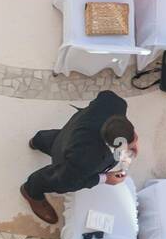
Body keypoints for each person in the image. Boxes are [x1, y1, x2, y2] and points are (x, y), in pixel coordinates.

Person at [20, 90, 136, 225]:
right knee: (55, 178)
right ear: (110, 144)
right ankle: (31, 190)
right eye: (129, 144)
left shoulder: (113, 103)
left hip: (72, 133)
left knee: (59, 140)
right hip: (71, 157)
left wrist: (131, 138)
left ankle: (37, 140)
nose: (131, 146)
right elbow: (71, 181)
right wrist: (105, 178)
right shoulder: (86, 160)